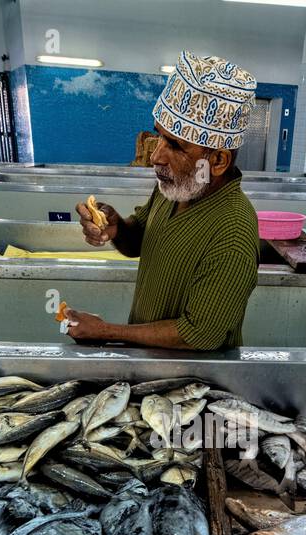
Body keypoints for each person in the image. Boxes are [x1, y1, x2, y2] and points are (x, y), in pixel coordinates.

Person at [67, 51, 259, 351]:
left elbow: (199, 333)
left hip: (191, 384)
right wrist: (116, 227)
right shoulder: (176, 187)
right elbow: (141, 240)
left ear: (217, 161)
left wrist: (104, 330)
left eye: (175, 146)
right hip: (149, 363)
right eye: (159, 136)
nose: (155, 156)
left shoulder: (232, 232)